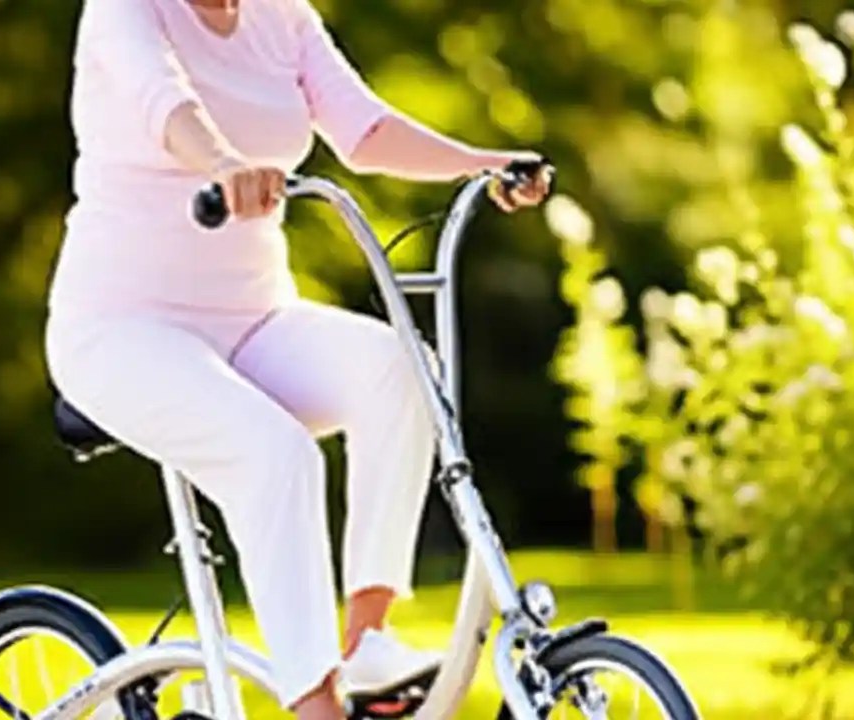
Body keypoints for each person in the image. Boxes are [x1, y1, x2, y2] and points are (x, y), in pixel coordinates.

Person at [44, 0, 551, 717]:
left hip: (252, 321)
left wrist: (488, 165)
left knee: (402, 367)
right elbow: (165, 103)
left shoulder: (282, 17)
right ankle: (313, 705)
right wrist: (224, 165)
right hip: (121, 330)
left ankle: (368, 642)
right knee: (276, 453)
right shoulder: (125, 8)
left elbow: (364, 129)